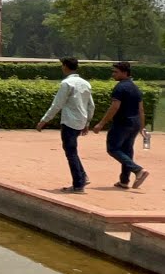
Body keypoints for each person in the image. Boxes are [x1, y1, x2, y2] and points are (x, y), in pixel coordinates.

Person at [37, 57, 95, 194]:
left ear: (65, 66)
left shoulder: (67, 84)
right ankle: (82, 176)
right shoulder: (85, 83)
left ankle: (78, 184)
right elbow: (91, 105)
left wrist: (44, 120)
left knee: (71, 152)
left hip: (69, 121)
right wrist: (87, 123)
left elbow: (57, 104)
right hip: (81, 120)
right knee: (72, 151)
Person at [92, 61, 149, 189]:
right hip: (134, 123)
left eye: (115, 72)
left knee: (113, 148)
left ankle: (138, 170)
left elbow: (114, 107)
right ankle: (124, 181)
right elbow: (141, 109)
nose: (113, 74)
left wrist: (101, 123)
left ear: (124, 73)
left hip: (123, 123)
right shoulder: (135, 88)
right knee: (127, 151)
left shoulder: (120, 87)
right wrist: (142, 126)